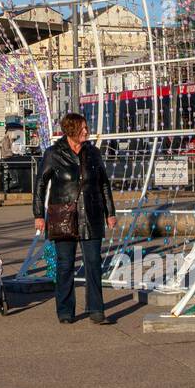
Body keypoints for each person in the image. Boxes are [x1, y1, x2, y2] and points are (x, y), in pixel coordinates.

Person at [33, 113, 117, 325]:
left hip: (91, 215)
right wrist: (38, 215)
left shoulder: (94, 153)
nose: (87, 132)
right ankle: (65, 310)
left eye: (86, 128)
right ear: (71, 131)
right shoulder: (54, 154)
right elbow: (40, 184)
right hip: (63, 216)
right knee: (65, 264)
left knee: (94, 264)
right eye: (83, 129)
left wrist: (110, 212)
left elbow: (103, 184)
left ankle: (96, 309)